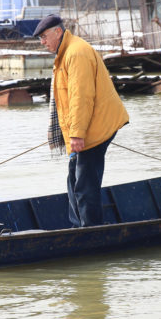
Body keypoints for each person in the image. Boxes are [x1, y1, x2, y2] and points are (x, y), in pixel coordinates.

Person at [34, 14, 129, 228]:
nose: (42, 42)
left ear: (58, 32)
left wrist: (77, 134)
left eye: (44, 37)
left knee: (85, 185)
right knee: (74, 179)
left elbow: (81, 98)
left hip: (94, 127)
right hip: (85, 126)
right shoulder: (66, 52)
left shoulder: (76, 53)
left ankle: (91, 231)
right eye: (40, 38)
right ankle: (78, 228)